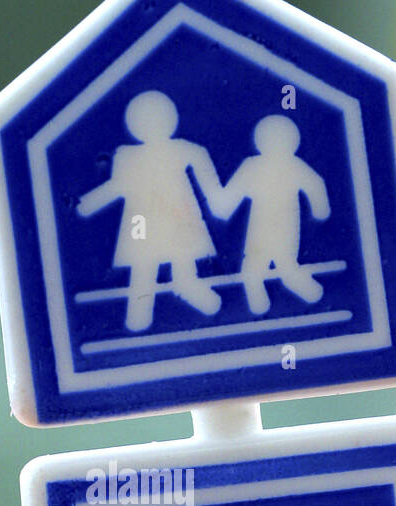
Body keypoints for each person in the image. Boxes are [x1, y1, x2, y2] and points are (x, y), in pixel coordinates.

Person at [77, 91, 228, 332]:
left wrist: (220, 200)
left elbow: (203, 168)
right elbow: (118, 186)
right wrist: (88, 203)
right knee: (144, 267)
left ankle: (192, 291)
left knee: (176, 262)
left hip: (177, 216)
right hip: (145, 221)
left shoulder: (183, 149)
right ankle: (139, 317)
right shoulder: (128, 155)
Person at [219, 115, 331, 314]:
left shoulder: (261, 166)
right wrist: (320, 209)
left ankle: (308, 292)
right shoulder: (264, 166)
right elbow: (316, 184)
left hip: (275, 227)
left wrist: (320, 210)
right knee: (273, 268)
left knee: (269, 269)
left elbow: (315, 184)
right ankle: (305, 292)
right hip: (270, 227)